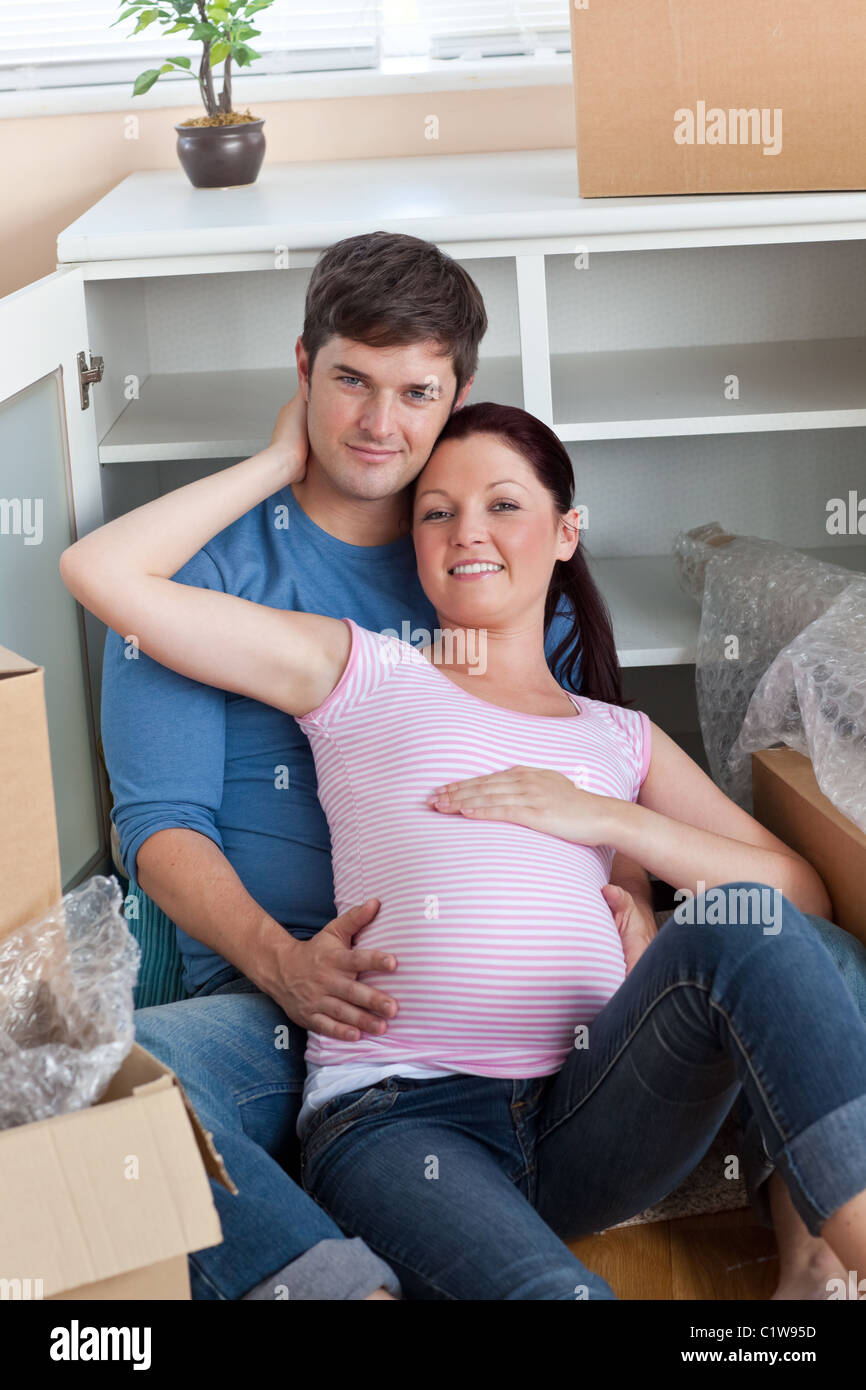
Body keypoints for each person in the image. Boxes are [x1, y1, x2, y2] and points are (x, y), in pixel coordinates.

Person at [62, 380, 866, 1301]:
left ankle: (831, 1274)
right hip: (404, 1117)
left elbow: (800, 893)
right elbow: (104, 574)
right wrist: (282, 461)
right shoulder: (361, 669)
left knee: (751, 924)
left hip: (594, 1107)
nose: (466, 531)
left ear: (566, 533)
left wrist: (604, 817)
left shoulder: (616, 737)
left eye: (504, 506)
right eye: (436, 512)